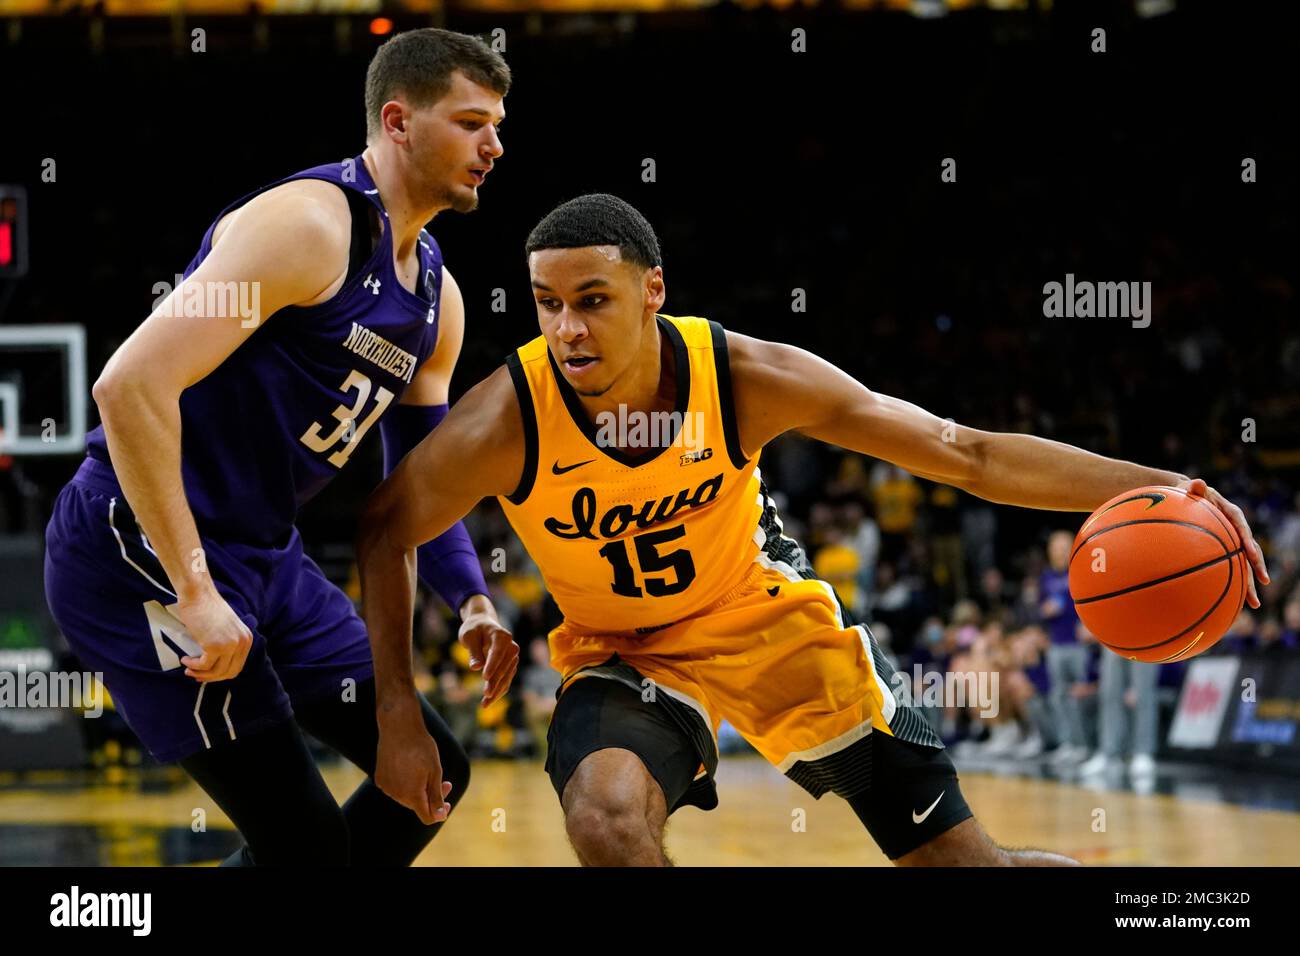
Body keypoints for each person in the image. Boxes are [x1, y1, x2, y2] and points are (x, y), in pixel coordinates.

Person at [356, 193, 1270, 866]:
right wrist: (400, 702)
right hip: (625, 651)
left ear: (651, 292)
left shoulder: (747, 375)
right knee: (605, 821)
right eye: (546, 303)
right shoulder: (507, 414)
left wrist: (1164, 483)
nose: (566, 328)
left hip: (768, 621)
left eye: (591, 299)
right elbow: (385, 528)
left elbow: (968, 454)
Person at [43, 28, 516, 865]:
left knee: (432, 775)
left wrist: (472, 598)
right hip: (141, 541)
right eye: (472, 121)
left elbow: (420, 487)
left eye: (499, 124)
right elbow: (127, 387)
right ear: (398, 122)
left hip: (267, 554)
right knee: (305, 845)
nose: (494, 144)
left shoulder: (439, 299)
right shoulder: (307, 225)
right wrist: (191, 587)